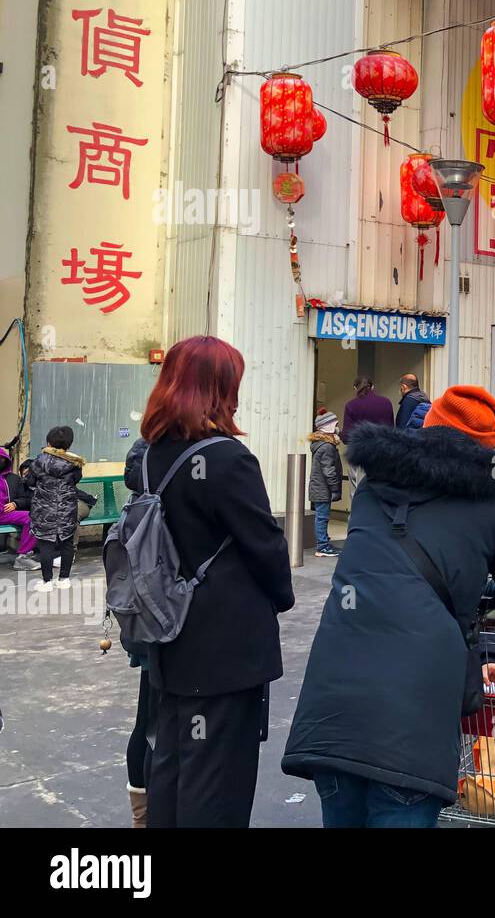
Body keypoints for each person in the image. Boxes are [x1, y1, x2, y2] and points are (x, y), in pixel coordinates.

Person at [282, 386, 495, 827]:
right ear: (490, 444)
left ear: (427, 427)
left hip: (333, 709)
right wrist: (486, 596)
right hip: (413, 723)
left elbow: (394, 572)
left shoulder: (375, 483)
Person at [138, 336, 295, 828]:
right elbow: (265, 544)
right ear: (218, 388)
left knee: (173, 764)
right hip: (225, 645)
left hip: (168, 631)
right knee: (218, 780)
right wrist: (282, 595)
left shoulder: (148, 454)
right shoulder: (227, 458)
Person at [121, 435, 156, 828]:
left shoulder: (137, 500)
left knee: (146, 718)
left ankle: (141, 817)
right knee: (158, 721)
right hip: (167, 619)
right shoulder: (172, 452)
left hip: (140, 615)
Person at [25, 426, 85, 590]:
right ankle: (64, 579)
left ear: (49, 442)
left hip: (44, 509)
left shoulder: (39, 460)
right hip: (67, 508)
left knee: (46, 544)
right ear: (69, 444)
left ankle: (47, 582)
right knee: (67, 542)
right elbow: (76, 480)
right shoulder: (75, 463)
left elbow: (29, 482)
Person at [342, 376, 394, 490]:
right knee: (382, 489)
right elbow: (391, 431)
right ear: (373, 387)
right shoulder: (386, 403)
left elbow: (346, 436)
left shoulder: (351, 405)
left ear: (355, 388)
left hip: (360, 454)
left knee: (358, 491)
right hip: (383, 453)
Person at [308, 411, 343, 558]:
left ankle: (324, 541)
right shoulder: (327, 447)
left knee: (321, 516)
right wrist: (334, 488)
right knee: (322, 517)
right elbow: (329, 470)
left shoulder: (319, 445)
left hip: (319, 487)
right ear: (327, 427)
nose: (337, 427)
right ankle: (322, 546)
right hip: (323, 488)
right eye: (335, 424)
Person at [0, 446, 38, 571]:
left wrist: (15, 504)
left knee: (33, 517)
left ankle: (23, 557)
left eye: (1, 459)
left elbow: (25, 498)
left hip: (5, 513)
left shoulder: (14, 479)